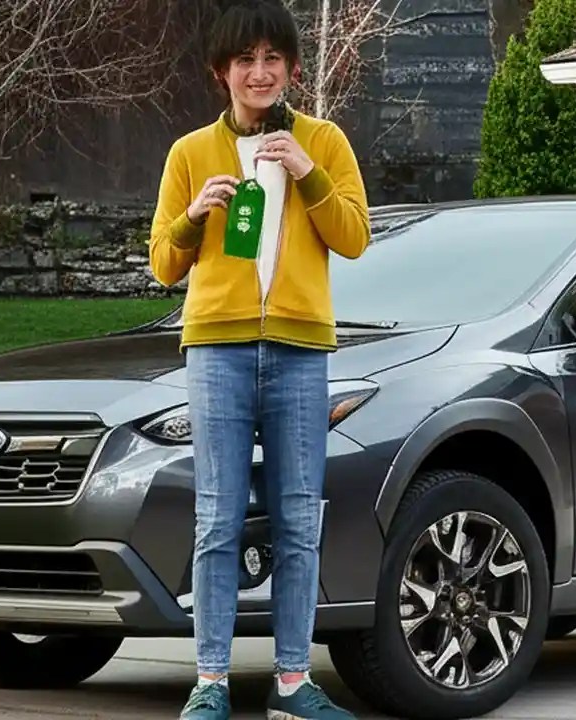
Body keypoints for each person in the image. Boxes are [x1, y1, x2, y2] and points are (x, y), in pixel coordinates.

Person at [145, 1, 369, 718]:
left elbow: (355, 236)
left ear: (292, 69)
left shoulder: (325, 141)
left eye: (273, 59)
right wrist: (191, 217)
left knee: (299, 517)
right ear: (223, 73)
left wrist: (306, 171)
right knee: (216, 519)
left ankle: (294, 684)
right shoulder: (189, 154)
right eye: (246, 61)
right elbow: (162, 265)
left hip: (301, 350)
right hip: (217, 348)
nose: (261, 72)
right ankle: (210, 682)